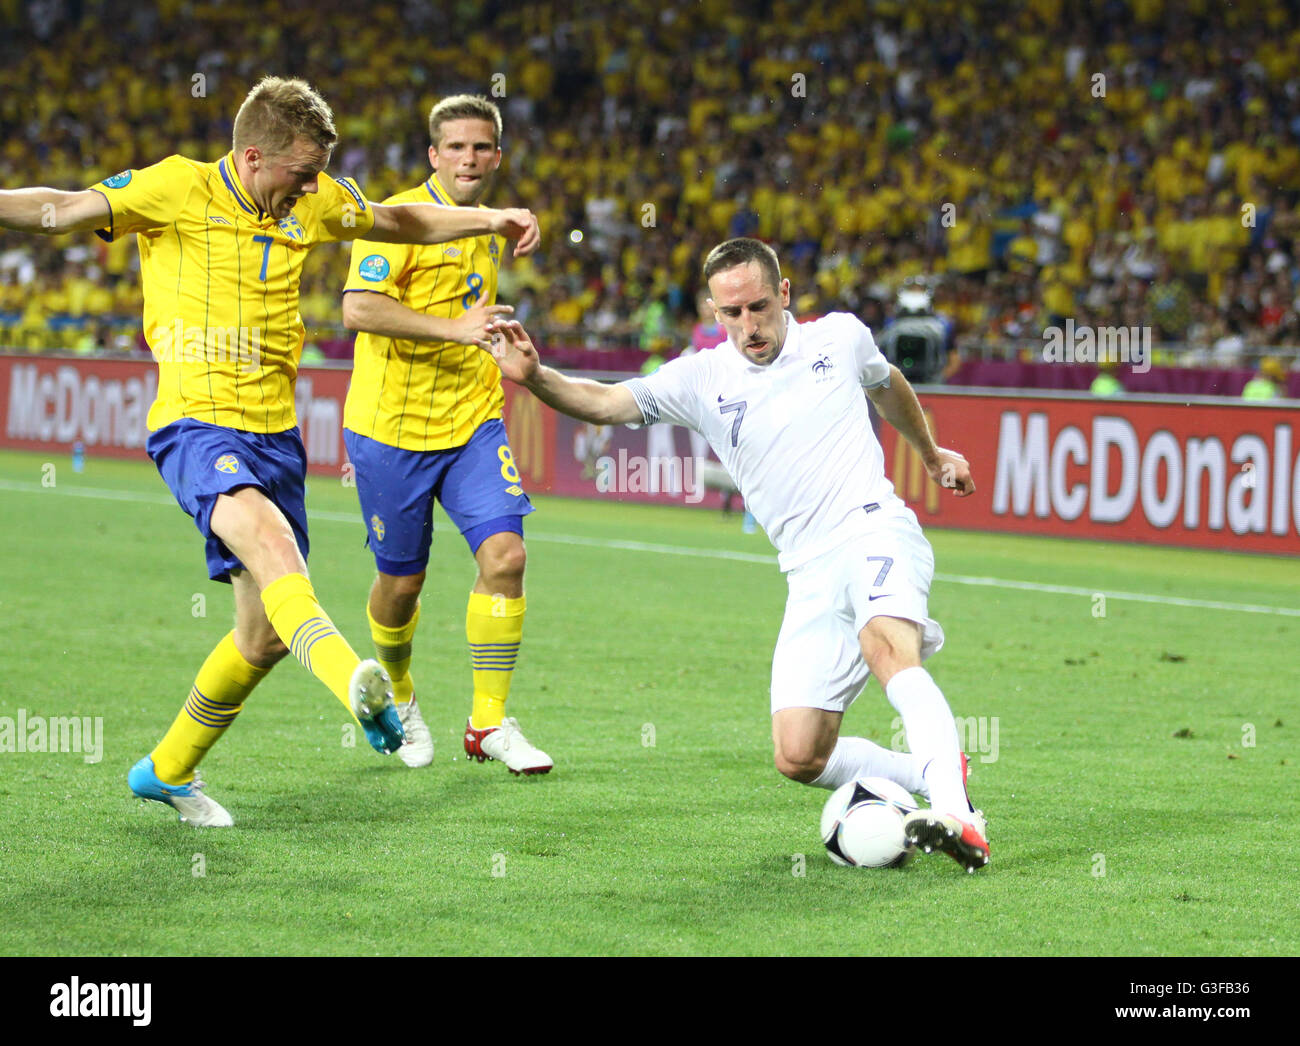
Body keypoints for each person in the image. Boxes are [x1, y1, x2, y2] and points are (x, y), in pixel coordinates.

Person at [0, 76, 540, 825]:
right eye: (300, 174)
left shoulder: (313, 199)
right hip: (196, 424)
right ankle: (361, 683)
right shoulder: (174, 187)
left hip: (276, 436)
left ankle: (167, 769)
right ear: (254, 157)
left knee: (262, 638)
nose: (311, 189)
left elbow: (394, 219)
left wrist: (490, 215)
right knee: (271, 542)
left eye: (318, 174)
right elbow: (60, 210)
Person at [487, 238, 990, 872]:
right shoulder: (701, 378)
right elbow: (607, 403)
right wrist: (534, 376)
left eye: (758, 307)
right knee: (800, 755)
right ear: (713, 309)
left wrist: (930, 453)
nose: (748, 327)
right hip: (806, 571)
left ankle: (958, 815)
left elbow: (886, 382)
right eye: (731, 313)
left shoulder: (838, 337)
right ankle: (931, 767)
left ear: (784, 294)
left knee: (887, 646)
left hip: (873, 531)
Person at [340, 95, 551, 774]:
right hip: (390, 429)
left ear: (497, 155)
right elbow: (359, 308)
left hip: (471, 421)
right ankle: (399, 693)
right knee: (401, 585)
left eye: (481, 147)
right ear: (433, 155)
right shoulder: (396, 219)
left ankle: (488, 722)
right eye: (455, 147)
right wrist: (456, 329)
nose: (469, 158)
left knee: (507, 558)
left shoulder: (491, 227)